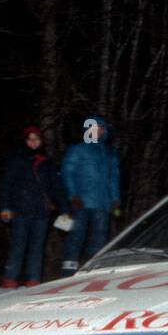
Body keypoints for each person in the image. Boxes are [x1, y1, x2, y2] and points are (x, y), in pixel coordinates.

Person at [0, 124, 66, 287]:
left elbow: (57, 187)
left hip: (41, 213)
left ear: (41, 141)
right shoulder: (17, 160)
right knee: (18, 248)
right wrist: (4, 207)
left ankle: (33, 281)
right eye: (30, 140)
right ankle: (9, 281)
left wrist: (64, 210)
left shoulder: (48, 163)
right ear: (25, 141)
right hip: (20, 211)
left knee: (37, 249)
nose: (34, 143)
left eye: (37, 139)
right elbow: (7, 184)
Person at [60, 116, 122, 275]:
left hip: (103, 203)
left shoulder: (110, 153)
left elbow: (114, 178)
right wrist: (73, 195)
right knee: (75, 237)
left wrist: (115, 199)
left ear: (104, 131)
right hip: (81, 202)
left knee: (99, 241)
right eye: (94, 128)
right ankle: (68, 272)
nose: (97, 131)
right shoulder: (78, 149)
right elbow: (68, 172)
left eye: (101, 128)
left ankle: (94, 271)